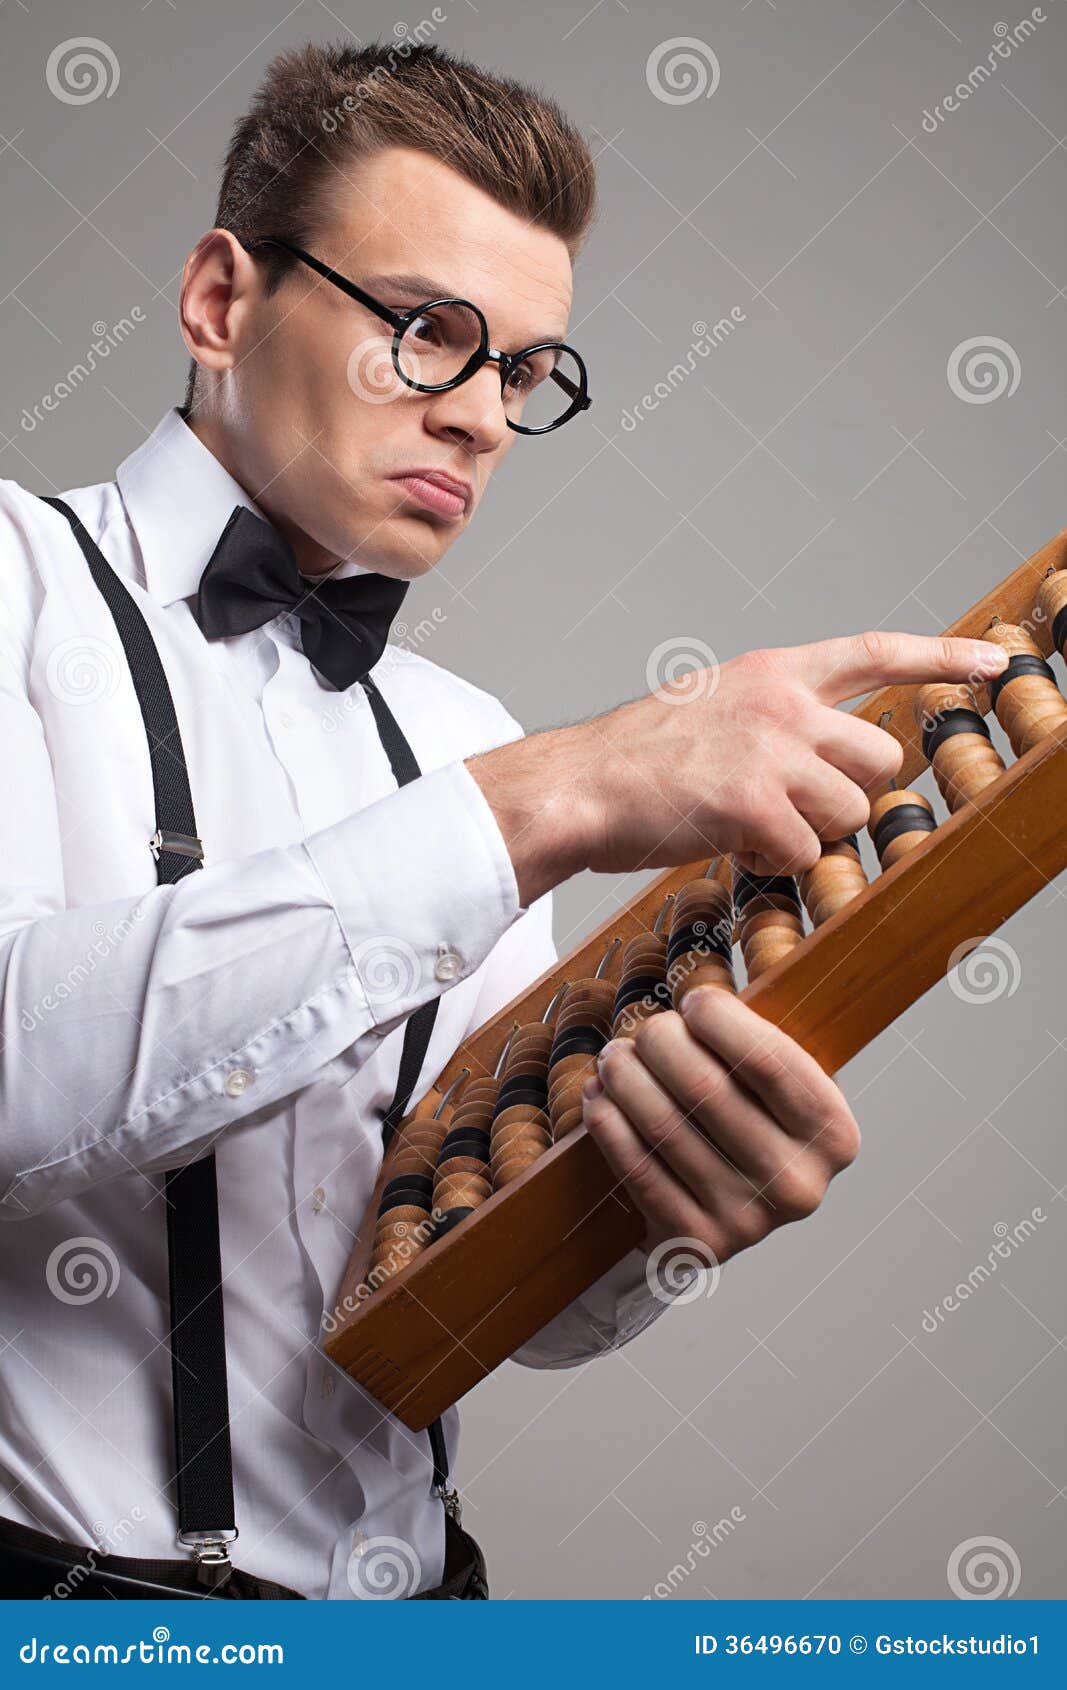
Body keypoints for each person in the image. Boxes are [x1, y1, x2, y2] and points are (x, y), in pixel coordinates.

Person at [0, 40, 1007, 1601]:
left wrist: (654, 1219)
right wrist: (559, 792)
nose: (480, 417)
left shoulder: (453, 739)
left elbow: (444, 1294)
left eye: (522, 369)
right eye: (426, 334)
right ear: (221, 301)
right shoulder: (16, 585)